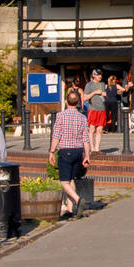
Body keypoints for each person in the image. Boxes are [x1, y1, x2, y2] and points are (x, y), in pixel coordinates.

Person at [49, 88, 92, 220]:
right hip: (78, 150)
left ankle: (78, 200)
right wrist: (87, 155)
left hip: (65, 150)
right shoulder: (82, 117)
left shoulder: (61, 116)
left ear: (67, 102)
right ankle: (69, 207)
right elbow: (86, 138)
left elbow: (56, 135)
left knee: (64, 182)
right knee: (71, 179)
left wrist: (51, 151)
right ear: (78, 102)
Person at [82, 68, 107, 152]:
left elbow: (105, 96)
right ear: (93, 75)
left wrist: (105, 95)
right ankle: (91, 148)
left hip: (102, 109)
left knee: (99, 130)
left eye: (100, 74)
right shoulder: (89, 85)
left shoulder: (102, 84)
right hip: (93, 109)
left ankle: (97, 148)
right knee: (92, 129)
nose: (100, 76)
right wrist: (94, 92)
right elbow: (85, 97)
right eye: (98, 74)